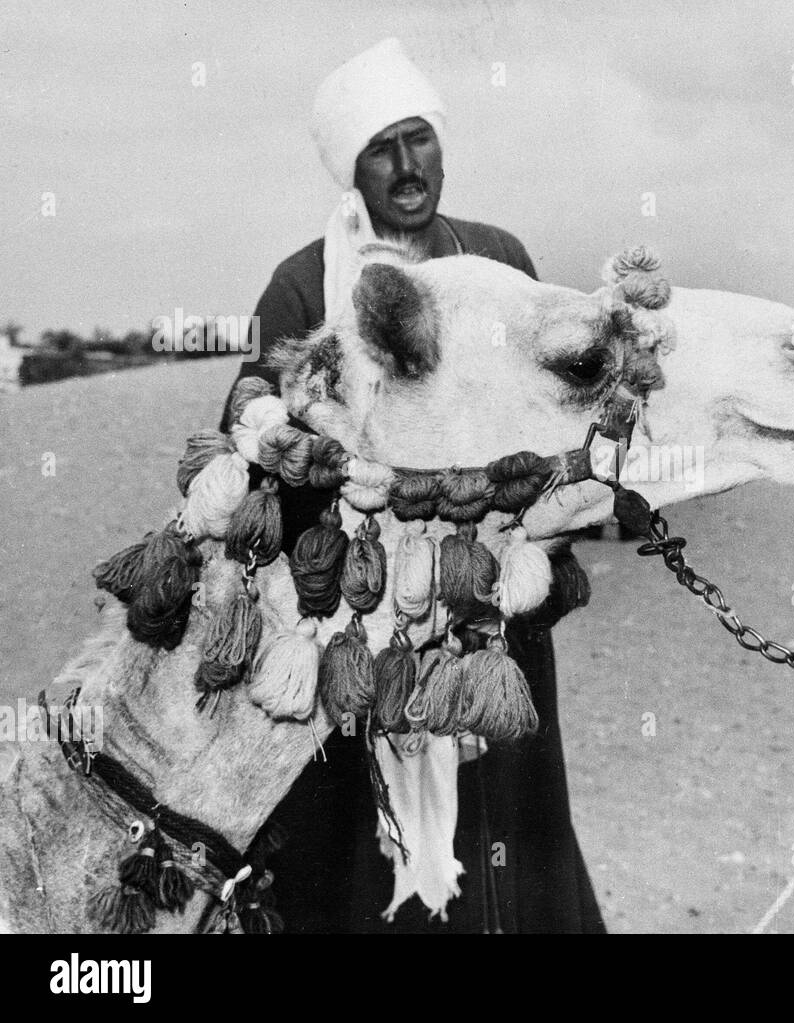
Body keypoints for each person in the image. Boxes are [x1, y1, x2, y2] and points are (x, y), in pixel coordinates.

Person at [219, 37, 603, 933]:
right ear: (352, 169)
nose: (406, 165)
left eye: (418, 138)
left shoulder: (497, 255)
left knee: (514, 812)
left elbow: (557, 410)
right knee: (367, 841)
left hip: (494, 604)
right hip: (368, 628)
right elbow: (259, 451)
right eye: (381, 148)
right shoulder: (305, 285)